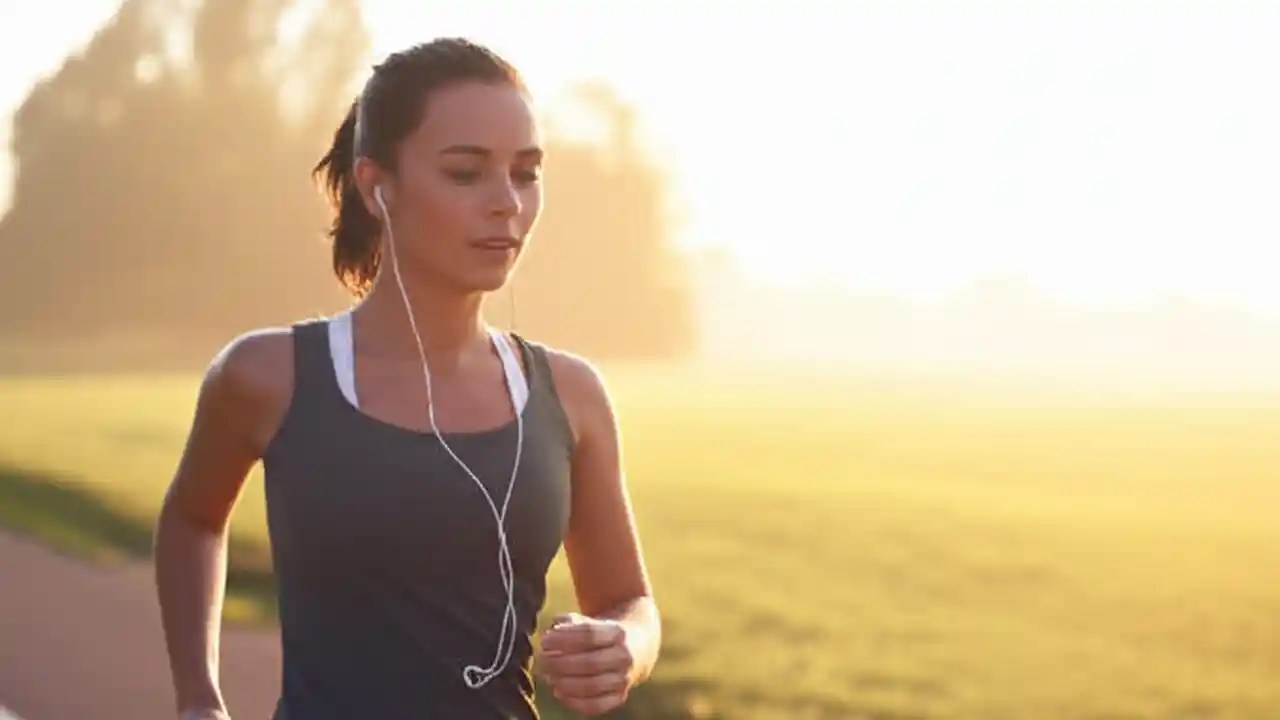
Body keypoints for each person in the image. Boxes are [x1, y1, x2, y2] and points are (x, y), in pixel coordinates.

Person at [152, 37, 661, 719]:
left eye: (526, 172)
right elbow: (193, 518)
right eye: (465, 173)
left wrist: (624, 646)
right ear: (376, 185)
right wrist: (198, 697)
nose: (506, 202)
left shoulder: (571, 396)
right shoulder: (267, 376)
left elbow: (630, 602)